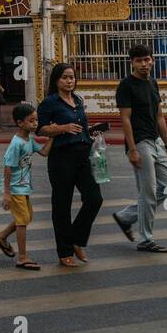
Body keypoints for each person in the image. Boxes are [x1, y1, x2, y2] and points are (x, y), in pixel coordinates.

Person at [112, 44, 167, 253]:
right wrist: (132, 149)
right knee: (148, 192)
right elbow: (125, 119)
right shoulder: (126, 85)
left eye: (147, 59)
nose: (144, 64)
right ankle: (146, 239)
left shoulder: (153, 83)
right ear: (132, 63)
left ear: (152, 60)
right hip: (140, 143)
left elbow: (159, 116)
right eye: (139, 60)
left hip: (156, 142)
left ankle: (125, 217)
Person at [37, 63, 101, 267]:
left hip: (83, 155)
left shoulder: (78, 100)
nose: (69, 81)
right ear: (56, 80)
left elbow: (81, 126)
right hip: (61, 158)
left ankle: (76, 239)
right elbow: (41, 129)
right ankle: (64, 251)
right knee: (62, 205)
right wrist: (62, 128)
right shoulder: (49, 103)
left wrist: (91, 133)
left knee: (94, 199)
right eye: (65, 77)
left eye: (72, 77)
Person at [0, 102, 51, 269]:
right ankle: (22, 257)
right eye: (31, 121)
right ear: (20, 123)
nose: (35, 124)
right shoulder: (16, 143)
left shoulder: (29, 140)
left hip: (24, 187)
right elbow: (8, 168)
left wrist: (53, 136)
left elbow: (45, 152)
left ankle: (1, 236)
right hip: (15, 188)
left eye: (36, 120)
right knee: (23, 221)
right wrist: (6, 193)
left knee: (26, 218)